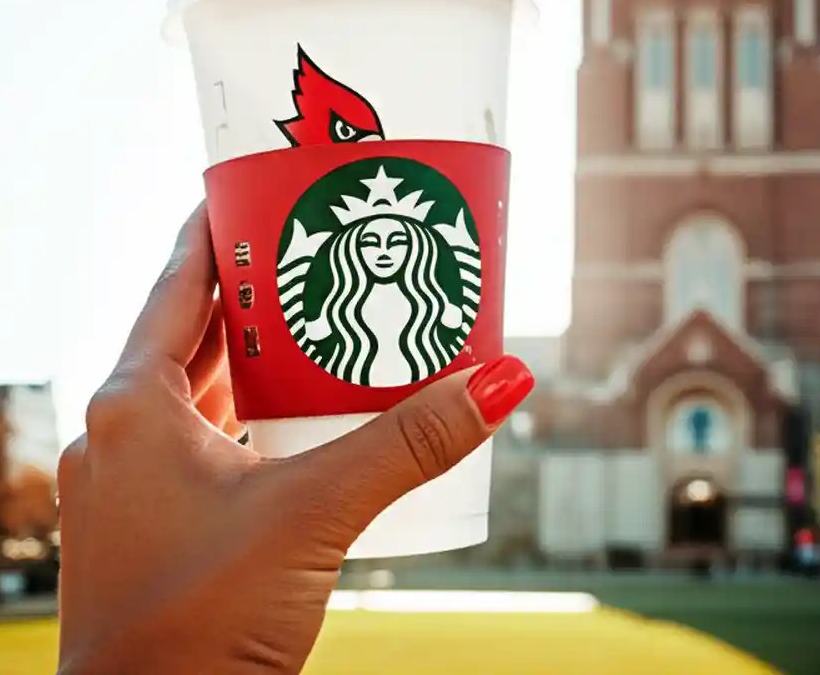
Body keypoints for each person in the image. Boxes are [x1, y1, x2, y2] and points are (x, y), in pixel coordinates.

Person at [56, 203, 533, 674]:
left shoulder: (426, 309)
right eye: (370, 241)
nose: (384, 253)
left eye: (398, 241)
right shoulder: (338, 318)